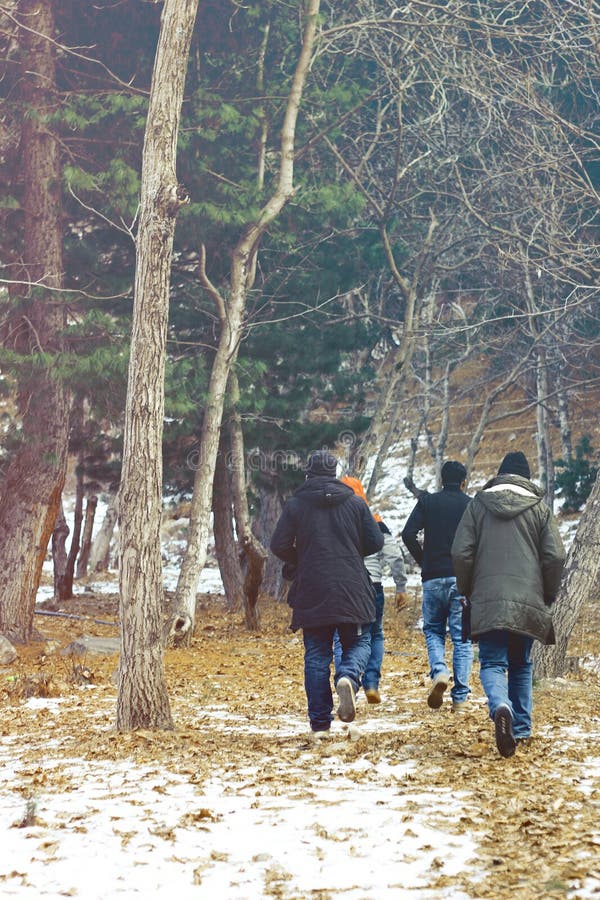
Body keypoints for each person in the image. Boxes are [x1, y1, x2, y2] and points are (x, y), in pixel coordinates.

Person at [451, 451, 566, 757]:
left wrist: (465, 589)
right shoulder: (540, 509)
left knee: (492, 662)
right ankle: (523, 728)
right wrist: (549, 593)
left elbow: (461, 553)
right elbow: (555, 556)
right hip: (528, 599)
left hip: (487, 598)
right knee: (521, 664)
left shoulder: (478, 505)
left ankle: (500, 705)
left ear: (500, 475)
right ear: (526, 479)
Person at [270, 450, 384, 739]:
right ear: (334, 473)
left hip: (312, 587)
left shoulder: (296, 505)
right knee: (360, 641)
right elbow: (376, 540)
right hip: (352, 587)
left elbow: (278, 544)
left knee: (317, 653)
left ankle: (320, 723)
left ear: (308, 473)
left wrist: (302, 558)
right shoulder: (356, 503)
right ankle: (347, 677)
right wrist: (349, 553)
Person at [401, 460, 473, 712]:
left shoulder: (428, 502)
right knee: (462, 638)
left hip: (432, 578)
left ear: (442, 480)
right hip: (461, 579)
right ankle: (461, 699)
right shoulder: (470, 505)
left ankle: (440, 671)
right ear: (464, 481)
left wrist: (425, 562)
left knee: (433, 630)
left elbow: (408, 533)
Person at [338, 476, 409, 705]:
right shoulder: (375, 520)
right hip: (374, 586)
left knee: (342, 639)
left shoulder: (336, 521)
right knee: (374, 634)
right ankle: (371, 684)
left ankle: (345, 682)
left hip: (345, 586)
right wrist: (400, 585)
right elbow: (395, 556)